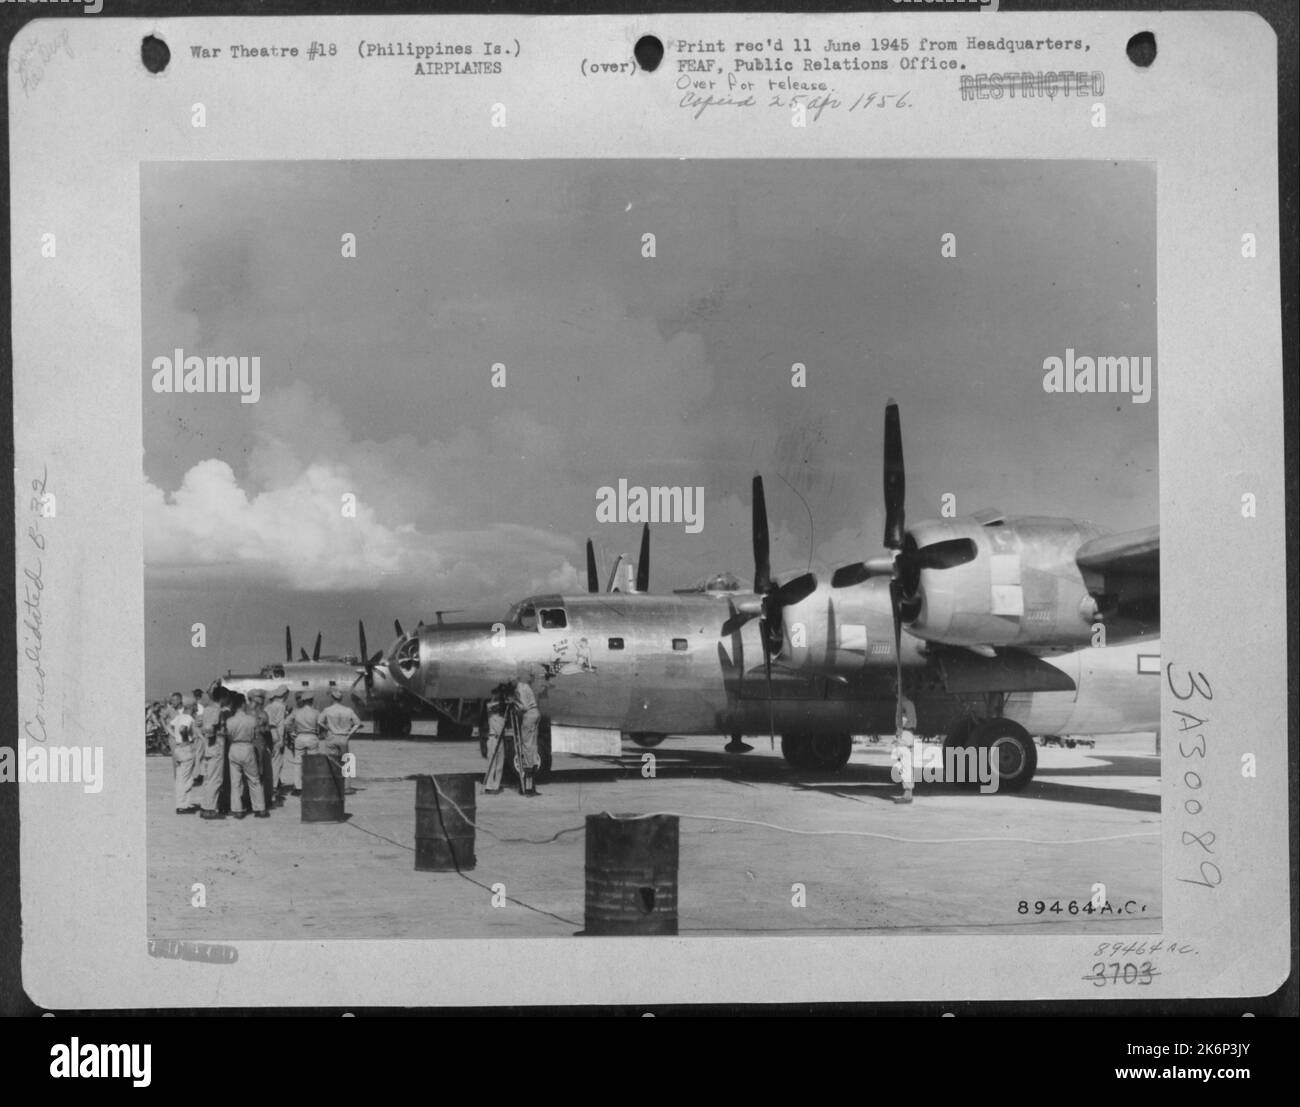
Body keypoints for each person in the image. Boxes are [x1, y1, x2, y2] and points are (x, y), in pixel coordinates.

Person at [225, 696, 268, 819]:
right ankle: (260, 808)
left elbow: (229, 737)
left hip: (234, 748)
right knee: (254, 779)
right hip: (247, 747)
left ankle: (237, 810)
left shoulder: (230, 721)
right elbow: (255, 736)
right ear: (243, 704)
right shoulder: (251, 719)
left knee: (235, 781)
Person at [318, 688, 362, 793]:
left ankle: (332, 785)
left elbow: (319, 721)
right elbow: (358, 723)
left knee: (331, 761)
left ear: (332, 698)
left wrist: (327, 728)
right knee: (346, 761)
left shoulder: (327, 710)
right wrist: (350, 733)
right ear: (341, 699)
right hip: (344, 737)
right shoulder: (348, 710)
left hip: (332, 736)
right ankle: (346, 786)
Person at [164, 693, 200, 813]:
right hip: (186, 748)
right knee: (187, 778)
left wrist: (174, 736)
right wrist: (185, 739)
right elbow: (183, 729)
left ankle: (181, 803)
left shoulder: (179, 717)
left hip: (178, 749)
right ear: (191, 706)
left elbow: (169, 726)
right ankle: (182, 805)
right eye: (195, 705)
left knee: (180, 777)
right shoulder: (188, 718)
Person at [196, 688, 228, 820]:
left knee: (208, 779)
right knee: (216, 779)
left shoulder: (207, 709)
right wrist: (218, 733)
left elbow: (198, 724)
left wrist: (204, 738)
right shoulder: (216, 710)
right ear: (223, 697)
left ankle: (205, 806)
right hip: (216, 747)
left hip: (209, 748)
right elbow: (210, 728)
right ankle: (210, 808)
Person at [512, 673, 542, 797]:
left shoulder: (519, 688)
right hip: (535, 713)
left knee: (526, 746)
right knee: (533, 746)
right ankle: (531, 786)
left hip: (529, 715)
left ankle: (527, 787)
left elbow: (523, 706)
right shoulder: (525, 686)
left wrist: (514, 705)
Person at [285, 690, 321, 795]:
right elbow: (322, 724)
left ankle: (298, 787)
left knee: (298, 763)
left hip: (299, 737)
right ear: (311, 700)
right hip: (312, 736)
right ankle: (312, 786)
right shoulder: (316, 712)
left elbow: (286, 723)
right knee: (312, 763)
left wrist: (292, 733)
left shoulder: (296, 712)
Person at [481, 682, 514, 795]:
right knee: (492, 764)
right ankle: (489, 786)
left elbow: (505, 707)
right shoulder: (491, 709)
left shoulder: (503, 714)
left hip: (501, 740)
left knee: (500, 764)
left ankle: (496, 786)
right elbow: (495, 704)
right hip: (493, 739)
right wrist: (503, 697)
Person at [247, 689, 276, 810]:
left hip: (248, 745)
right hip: (259, 745)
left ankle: (249, 800)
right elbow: (267, 733)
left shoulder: (244, 712)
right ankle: (262, 802)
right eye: (260, 698)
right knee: (261, 774)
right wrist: (271, 746)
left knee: (249, 774)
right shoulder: (263, 714)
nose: (263, 701)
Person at [264, 684, 292, 800]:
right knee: (276, 764)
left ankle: (272, 785)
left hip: (268, 738)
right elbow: (275, 724)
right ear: (284, 695)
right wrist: (279, 740)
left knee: (271, 763)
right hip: (276, 738)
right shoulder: (280, 707)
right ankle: (273, 788)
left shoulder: (269, 706)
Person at [891, 696, 919, 805]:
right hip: (905, 734)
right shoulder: (906, 703)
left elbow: (908, 721)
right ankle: (907, 793)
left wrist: (900, 730)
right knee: (904, 764)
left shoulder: (906, 704)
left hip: (905, 734)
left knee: (905, 764)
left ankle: (908, 794)